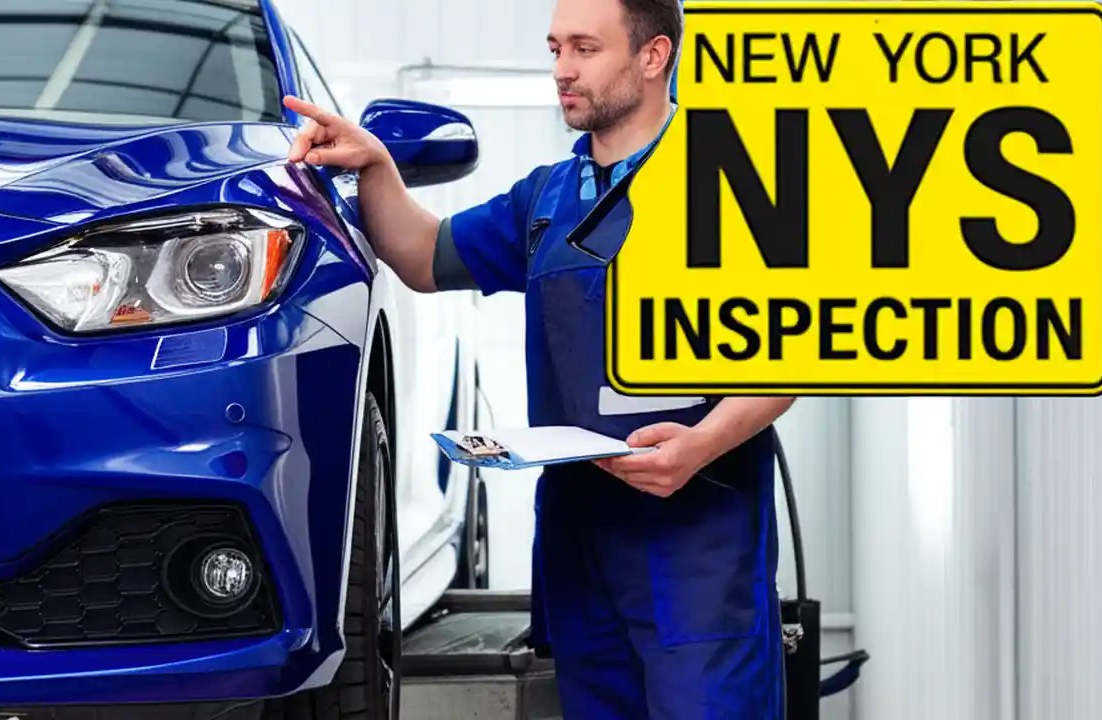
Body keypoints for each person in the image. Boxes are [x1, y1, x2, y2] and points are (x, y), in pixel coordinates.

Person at [283, 0, 796, 716]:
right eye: (556, 49)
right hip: (582, 537)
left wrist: (701, 444)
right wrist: (374, 164)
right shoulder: (548, 197)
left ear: (653, 56)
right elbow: (423, 255)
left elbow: (792, 352)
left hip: (697, 545)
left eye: (585, 48)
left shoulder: (726, 181)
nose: (562, 70)